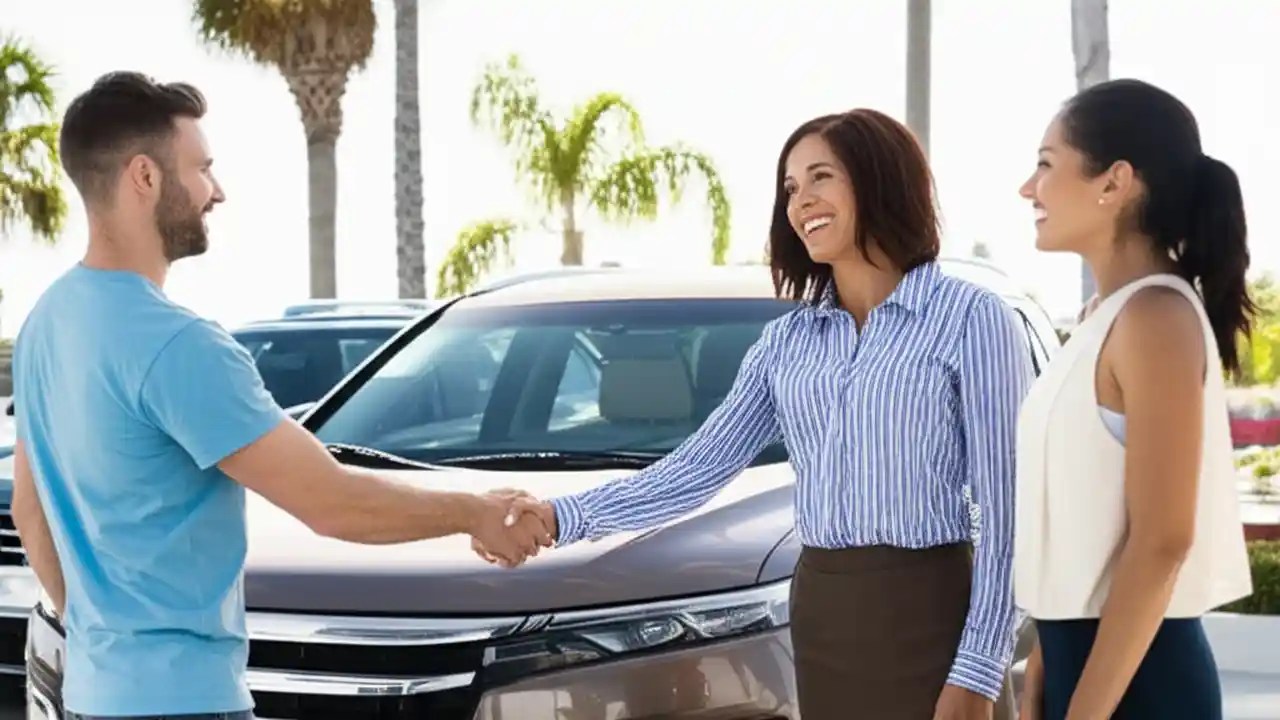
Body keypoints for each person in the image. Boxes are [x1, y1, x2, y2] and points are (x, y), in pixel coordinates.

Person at [9, 71, 552, 720]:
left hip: (93, 698)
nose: (218, 191)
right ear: (145, 178)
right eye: (203, 169)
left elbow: (30, 513)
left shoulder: (45, 323)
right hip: (185, 706)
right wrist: (474, 512)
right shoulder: (178, 346)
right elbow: (333, 504)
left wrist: (106, 641)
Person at [475, 109, 1034, 720]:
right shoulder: (785, 345)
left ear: (879, 180)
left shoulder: (971, 319)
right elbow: (693, 472)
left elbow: (1009, 508)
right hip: (824, 612)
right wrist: (561, 517)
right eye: (791, 188)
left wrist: (979, 668)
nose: (801, 202)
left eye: (821, 177)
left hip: (932, 613)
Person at [1013, 78, 1254, 720]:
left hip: (1139, 684)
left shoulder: (1155, 318)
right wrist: (1043, 664)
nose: (1028, 189)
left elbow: (1162, 541)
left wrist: (1084, 710)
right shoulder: (1103, 316)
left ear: (1114, 182)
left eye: (1044, 165)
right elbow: (1084, 526)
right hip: (1084, 667)